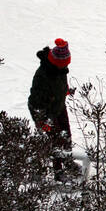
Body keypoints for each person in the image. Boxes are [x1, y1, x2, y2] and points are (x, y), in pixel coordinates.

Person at [29, 39, 79, 182]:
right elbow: (36, 101)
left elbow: (60, 83)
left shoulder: (60, 68)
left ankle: (67, 160)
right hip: (45, 111)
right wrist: (42, 120)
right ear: (56, 62)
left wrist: (65, 91)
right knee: (55, 140)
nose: (66, 67)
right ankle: (58, 171)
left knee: (66, 134)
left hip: (58, 106)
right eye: (64, 64)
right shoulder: (42, 75)